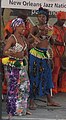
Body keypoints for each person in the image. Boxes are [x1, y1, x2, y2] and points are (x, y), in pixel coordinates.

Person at [28, 7, 60, 110]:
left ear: (47, 18)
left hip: (45, 55)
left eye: (44, 16)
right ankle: (32, 101)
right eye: (40, 16)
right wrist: (39, 34)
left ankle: (49, 100)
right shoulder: (35, 28)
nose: (42, 18)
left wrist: (52, 39)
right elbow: (28, 41)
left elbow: (50, 43)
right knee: (34, 76)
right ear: (37, 18)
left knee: (47, 76)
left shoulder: (50, 28)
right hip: (35, 55)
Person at [2, 18, 31, 119]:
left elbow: (25, 50)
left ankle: (21, 109)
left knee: (25, 87)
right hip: (12, 66)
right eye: (21, 26)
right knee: (13, 88)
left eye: (24, 26)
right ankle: (11, 110)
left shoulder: (23, 38)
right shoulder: (12, 38)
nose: (23, 28)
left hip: (21, 65)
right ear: (15, 27)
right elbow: (4, 52)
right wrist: (14, 53)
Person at [50, 11, 66, 94]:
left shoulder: (64, 28)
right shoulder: (53, 28)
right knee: (56, 71)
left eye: (64, 20)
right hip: (55, 53)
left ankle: (62, 88)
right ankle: (53, 89)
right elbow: (53, 41)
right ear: (58, 18)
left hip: (63, 53)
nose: (63, 21)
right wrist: (63, 44)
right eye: (62, 19)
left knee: (63, 72)